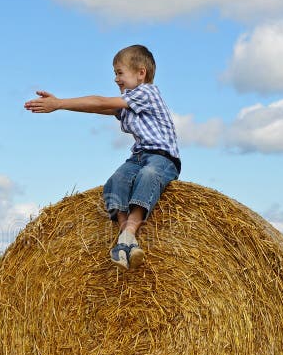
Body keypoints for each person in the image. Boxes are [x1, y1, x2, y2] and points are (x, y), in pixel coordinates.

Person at [24, 44, 180, 270]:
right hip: (138, 157)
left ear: (141, 73)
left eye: (119, 72)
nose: (116, 79)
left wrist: (59, 104)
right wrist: (62, 107)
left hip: (162, 159)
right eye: (114, 73)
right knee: (115, 182)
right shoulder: (128, 103)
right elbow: (96, 107)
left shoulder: (147, 93)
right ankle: (127, 241)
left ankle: (128, 232)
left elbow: (101, 101)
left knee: (149, 175)